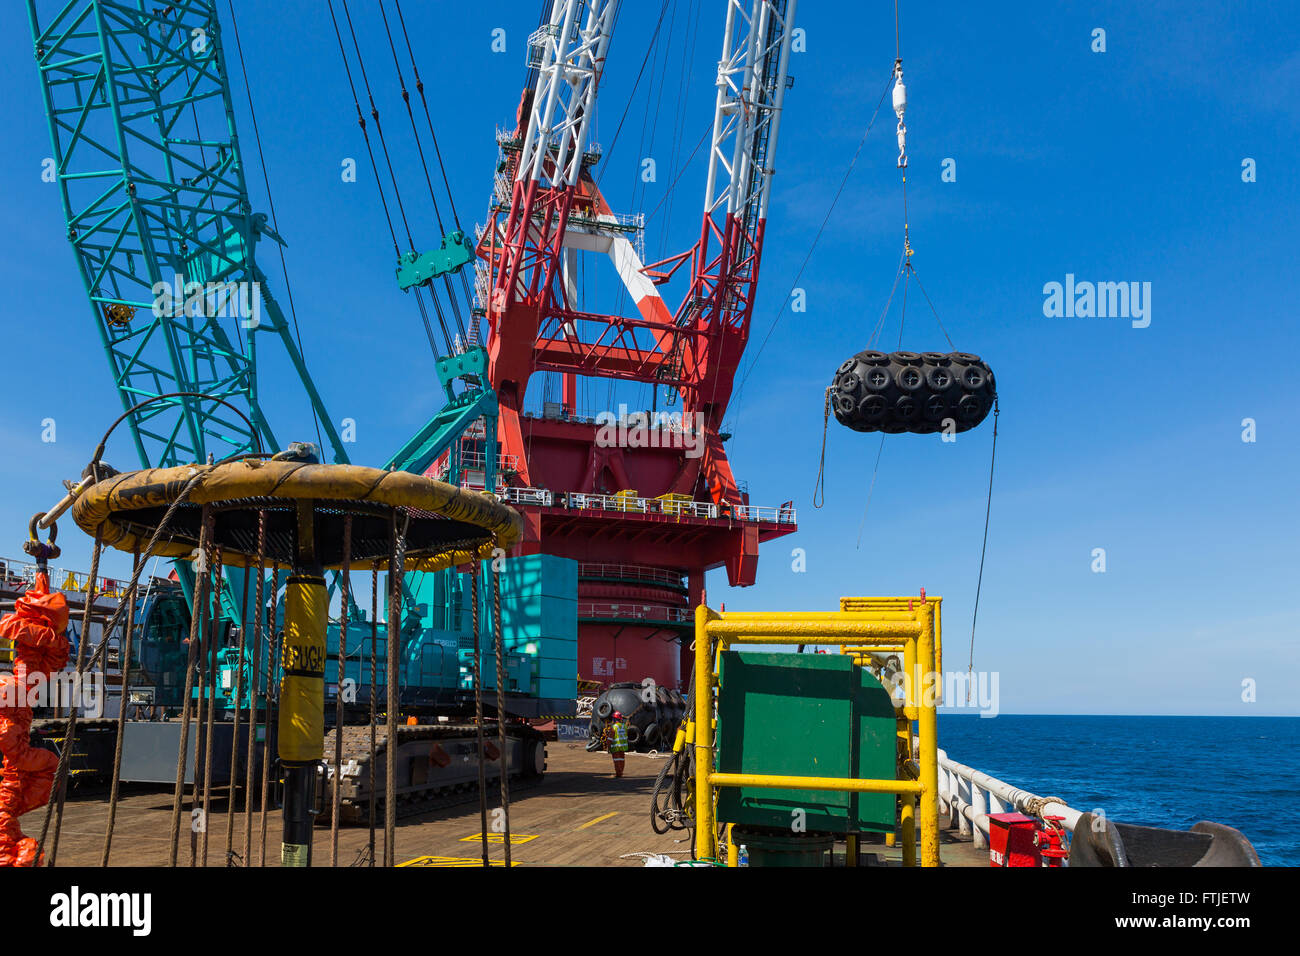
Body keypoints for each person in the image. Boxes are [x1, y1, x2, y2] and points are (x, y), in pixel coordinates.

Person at [606, 711, 628, 778]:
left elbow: (610, 739)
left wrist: (608, 747)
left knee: (616, 760)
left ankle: (618, 774)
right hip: (623, 746)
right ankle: (621, 772)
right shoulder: (624, 726)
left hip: (616, 747)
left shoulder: (614, 727)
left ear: (614, 719)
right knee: (621, 759)